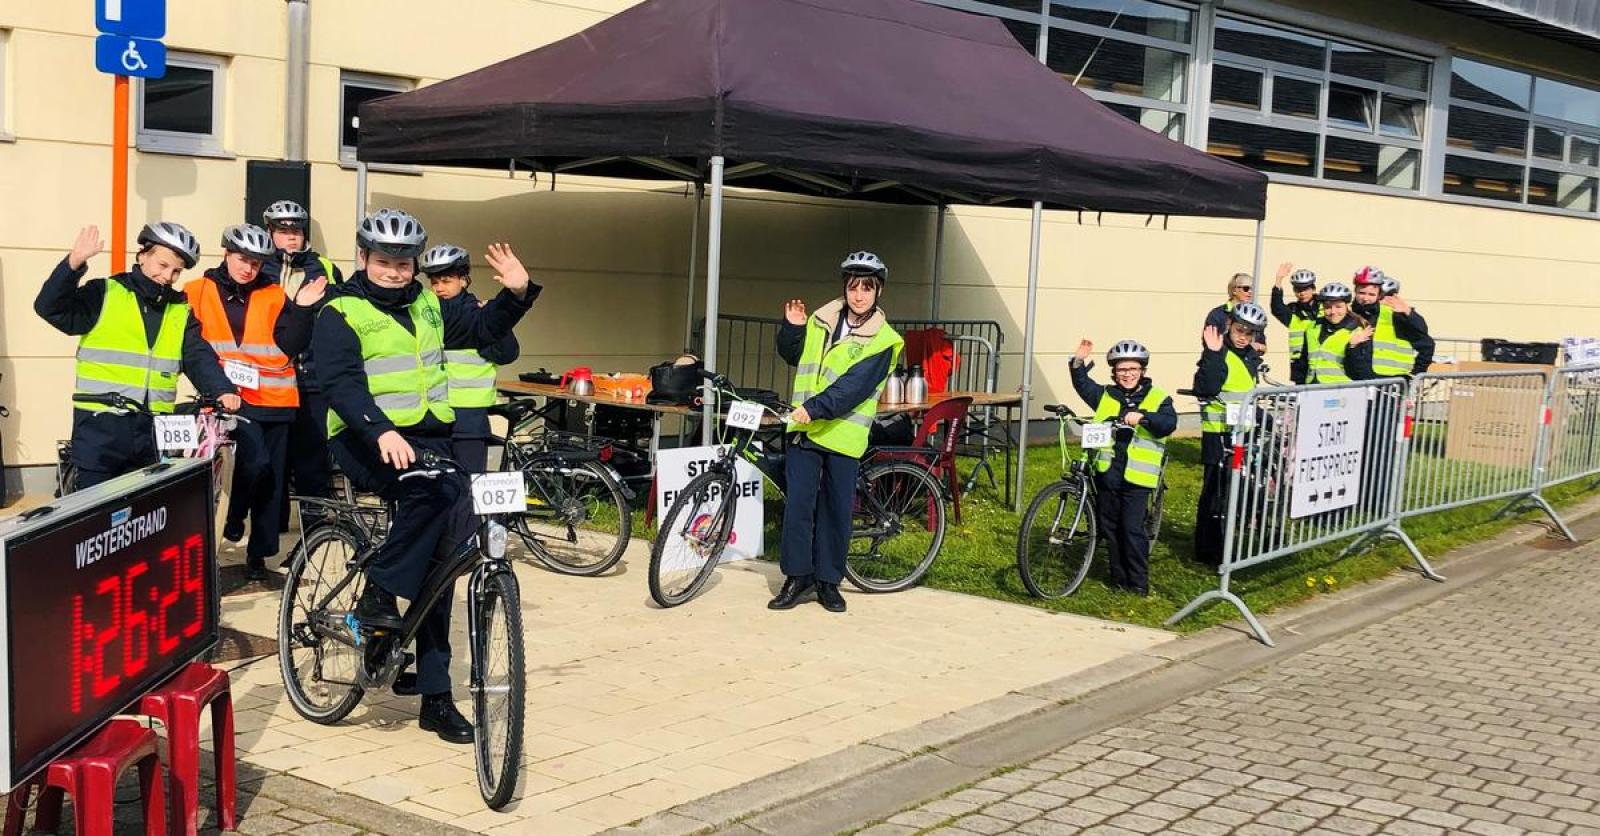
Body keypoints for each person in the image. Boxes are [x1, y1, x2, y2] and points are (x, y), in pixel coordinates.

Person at [314, 208, 535, 743]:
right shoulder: (339, 311)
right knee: (427, 493)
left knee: (444, 563)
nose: (394, 271)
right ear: (363, 258)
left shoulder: (429, 305)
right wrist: (379, 430)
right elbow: (340, 382)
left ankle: (436, 698)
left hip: (430, 436)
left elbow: (483, 331)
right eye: (384, 262)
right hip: (366, 437)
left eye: (403, 263)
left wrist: (516, 294)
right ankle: (378, 594)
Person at [35, 223, 241, 489]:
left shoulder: (179, 311)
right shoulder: (106, 293)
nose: (168, 276)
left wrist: (222, 389)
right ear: (142, 255)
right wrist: (74, 263)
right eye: (162, 265)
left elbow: (198, 356)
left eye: (176, 271)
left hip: (152, 432)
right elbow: (49, 307)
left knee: (147, 521)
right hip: (101, 428)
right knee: (94, 520)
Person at [187, 224, 322, 580]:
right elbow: (188, 344)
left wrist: (304, 310)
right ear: (226, 254)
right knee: (253, 461)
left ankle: (260, 553)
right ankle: (232, 517)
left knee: (270, 477)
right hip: (227, 397)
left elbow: (292, 343)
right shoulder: (197, 291)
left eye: (256, 263)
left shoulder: (274, 294)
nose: (248, 268)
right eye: (242, 259)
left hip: (275, 396)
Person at [771, 251, 904, 613]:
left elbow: (853, 388)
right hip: (803, 432)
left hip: (841, 435)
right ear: (844, 288)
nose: (859, 295)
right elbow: (794, 357)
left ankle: (829, 582)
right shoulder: (821, 319)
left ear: (878, 293)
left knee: (835, 510)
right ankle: (798, 578)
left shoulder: (884, 339)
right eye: (853, 287)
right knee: (798, 506)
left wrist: (812, 408)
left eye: (867, 288)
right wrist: (793, 329)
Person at [1068, 339, 1177, 595]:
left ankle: (1138, 583)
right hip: (1108, 473)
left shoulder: (1157, 397)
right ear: (1114, 373)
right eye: (1121, 370)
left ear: (1142, 371)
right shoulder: (1105, 395)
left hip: (1137, 479)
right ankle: (1118, 579)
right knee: (1110, 528)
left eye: (1132, 369)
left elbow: (1168, 423)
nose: (1127, 374)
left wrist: (1144, 417)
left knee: (1131, 529)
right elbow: (1083, 385)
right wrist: (1078, 363)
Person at [260, 200, 344, 523]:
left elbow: (338, 316)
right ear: (270, 233)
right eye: (283, 231)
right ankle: (275, 528)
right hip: (271, 379)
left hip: (311, 378)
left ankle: (315, 527)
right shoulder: (261, 268)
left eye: (296, 230)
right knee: (273, 460)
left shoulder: (324, 267)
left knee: (312, 458)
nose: (291, 237)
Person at [419, 243, 528, 473]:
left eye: (446, 281)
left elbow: (507, 354)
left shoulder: (472, 312)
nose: (439, 288)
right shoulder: (430, 314)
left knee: (468, 487)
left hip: (468, 418)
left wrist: (500, 316)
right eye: (434, 282)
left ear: (464, 280)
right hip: (437, 414)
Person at [1192, 303, 1267, 566]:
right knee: (1214, 493)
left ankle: (1233, 540)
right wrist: (1212, 355)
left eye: (1250, 333)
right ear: (1229, 327)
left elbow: (1246, 395)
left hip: (1241, 432)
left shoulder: (1248, 356)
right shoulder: (1218, 352)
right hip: (1219, 432)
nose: (1243, 336)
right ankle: (1208, 550)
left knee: (1237, 488)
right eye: (1239, 330)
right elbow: (1205, 386)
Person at [1352, 267, 1434, 378]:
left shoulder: (1394, 315)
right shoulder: (1347, 313)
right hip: (1356, 380)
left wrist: (1414, 375)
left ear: (1379, 295)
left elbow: (1426, 343)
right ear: (1355, 291)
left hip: (1390, 382)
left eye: (1371, 294)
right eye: (1362, 293)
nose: (1365, 298)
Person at [1305, 282, 1375, 384]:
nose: (1333, 311)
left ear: (1347, 307)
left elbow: (1361, 373)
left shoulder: (1358, 331)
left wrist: (1352, 347)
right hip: (1313, 388)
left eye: (1338, 307)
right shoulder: (1313, 327)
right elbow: (1303, 362)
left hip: (1342, 390)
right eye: (1328, 307)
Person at [1269, 263, 1319, 385]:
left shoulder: (1325, 307)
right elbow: (1277, 308)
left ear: (1313, 288)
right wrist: (1278, 280)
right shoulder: (1293, 310)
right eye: (1298, 290)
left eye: (1305, 289)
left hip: (1321, 363)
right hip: (1301, 365)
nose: (1301, 293)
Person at [1203, 272, 1256, 336]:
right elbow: (1208, 341)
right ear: (1234, 290)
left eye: (1252, 288)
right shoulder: (1217, 314)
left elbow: (1260, 341)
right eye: (1246, 288)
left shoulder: (1254, 315)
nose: (1250, 292)